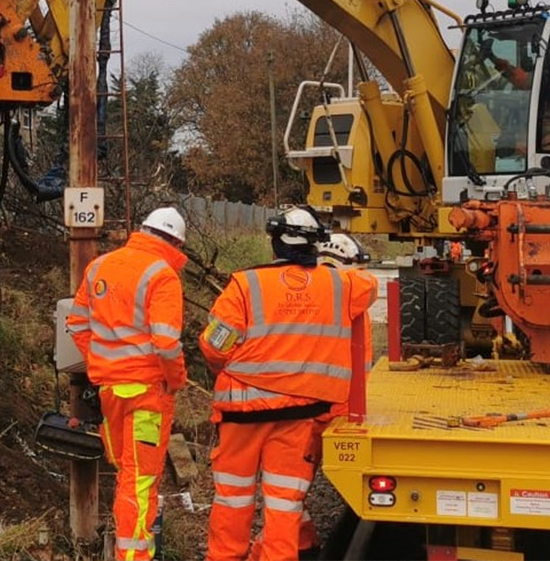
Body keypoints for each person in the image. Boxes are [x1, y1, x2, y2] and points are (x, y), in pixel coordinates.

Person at [201, 209, 377, 561]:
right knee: (285, 501)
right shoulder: (342, 285)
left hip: (242, 413)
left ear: (275, 242)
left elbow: (214, 346)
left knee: (233, 496)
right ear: (316, 246)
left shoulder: (245, 285)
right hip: (301, 414)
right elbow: (369, 285)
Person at [67, 207, 189, 561]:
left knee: (127, 476)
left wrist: (101, 364)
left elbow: (76, 324)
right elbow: (166, 343)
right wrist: (176, 379)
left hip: (110, 393)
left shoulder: (100, 266)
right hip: (146, 395)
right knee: (140, 481)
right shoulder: (163, 276)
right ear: (175, 242)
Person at [482, 42, 550, 153]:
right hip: (537, 131)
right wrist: (492, 57)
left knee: (547, 143)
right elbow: (516, 76)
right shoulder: (539, 82)